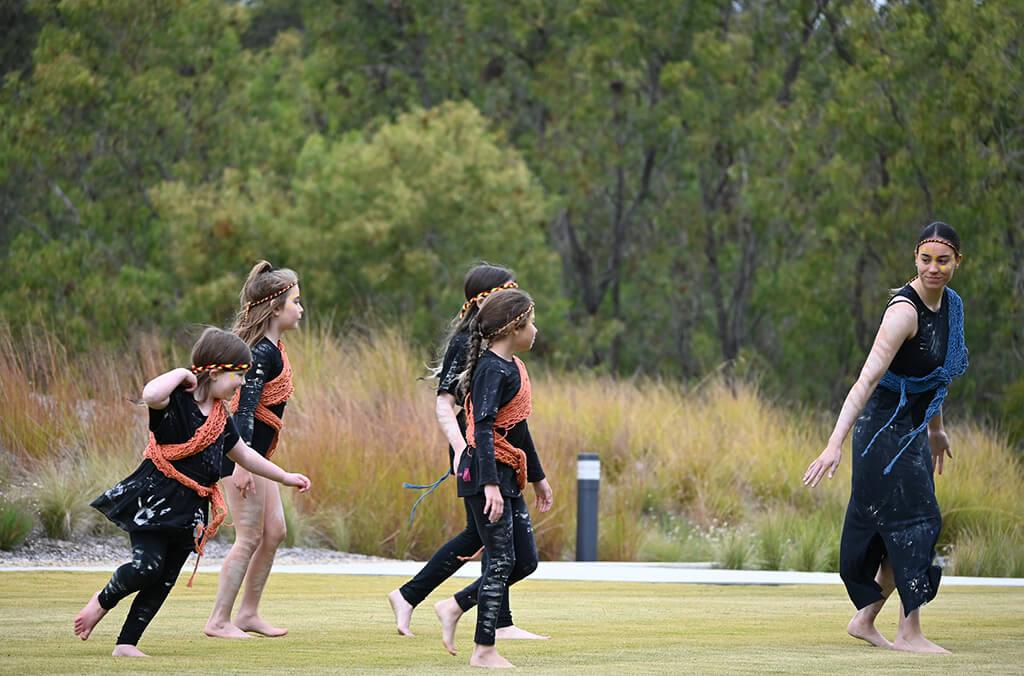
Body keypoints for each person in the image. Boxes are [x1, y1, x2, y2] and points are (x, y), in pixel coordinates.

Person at [73, 327, 311, 656]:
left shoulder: (221, 418)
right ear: (214, 372)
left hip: (191, 512)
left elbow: (245, 455)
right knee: (146, 568)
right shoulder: (176, 405)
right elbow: (152, 393)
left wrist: (285, 476)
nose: (241, 383)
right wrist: (183, 373)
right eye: (237, 375)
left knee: (164, 580)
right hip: (155, 504)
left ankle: (126, 644)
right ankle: (100, 603)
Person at [803, 222, 968, 654]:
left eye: (943, 260)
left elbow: (937, 378)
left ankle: (865, 620)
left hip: (911, 430)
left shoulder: (951, 307)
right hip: (880, 431)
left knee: (910, 526)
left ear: (957, 262)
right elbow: (866, 381)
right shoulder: (903, 313)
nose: (934, 268)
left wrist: (936, 430)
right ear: (915, 258)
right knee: (918, 522)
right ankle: (908, 633)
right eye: (926, 259)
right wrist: (834, 443)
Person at [432, 288, 553, 668]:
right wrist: (489, 484)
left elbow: (517, 429)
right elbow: (481, 428)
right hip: (485, 474)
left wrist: (538, 478)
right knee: (500, 560)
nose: (536, 330)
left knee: (524, 562)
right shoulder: (489, 369)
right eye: (531, 323)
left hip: (505, 474)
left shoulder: (513, 366)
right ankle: (484, 650)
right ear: (514, 327)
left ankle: (455, 605)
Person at [205, 261, 303, 639]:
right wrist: (242, 466)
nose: (301, 308)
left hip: (258, 458)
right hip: (240, 458)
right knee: (249, 536)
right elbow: (243, 409)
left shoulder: (276, 348)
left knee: (274, 531)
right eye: (296, 301)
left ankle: (248, 614)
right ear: (276, 308)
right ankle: (218, 620)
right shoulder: (260, 353)